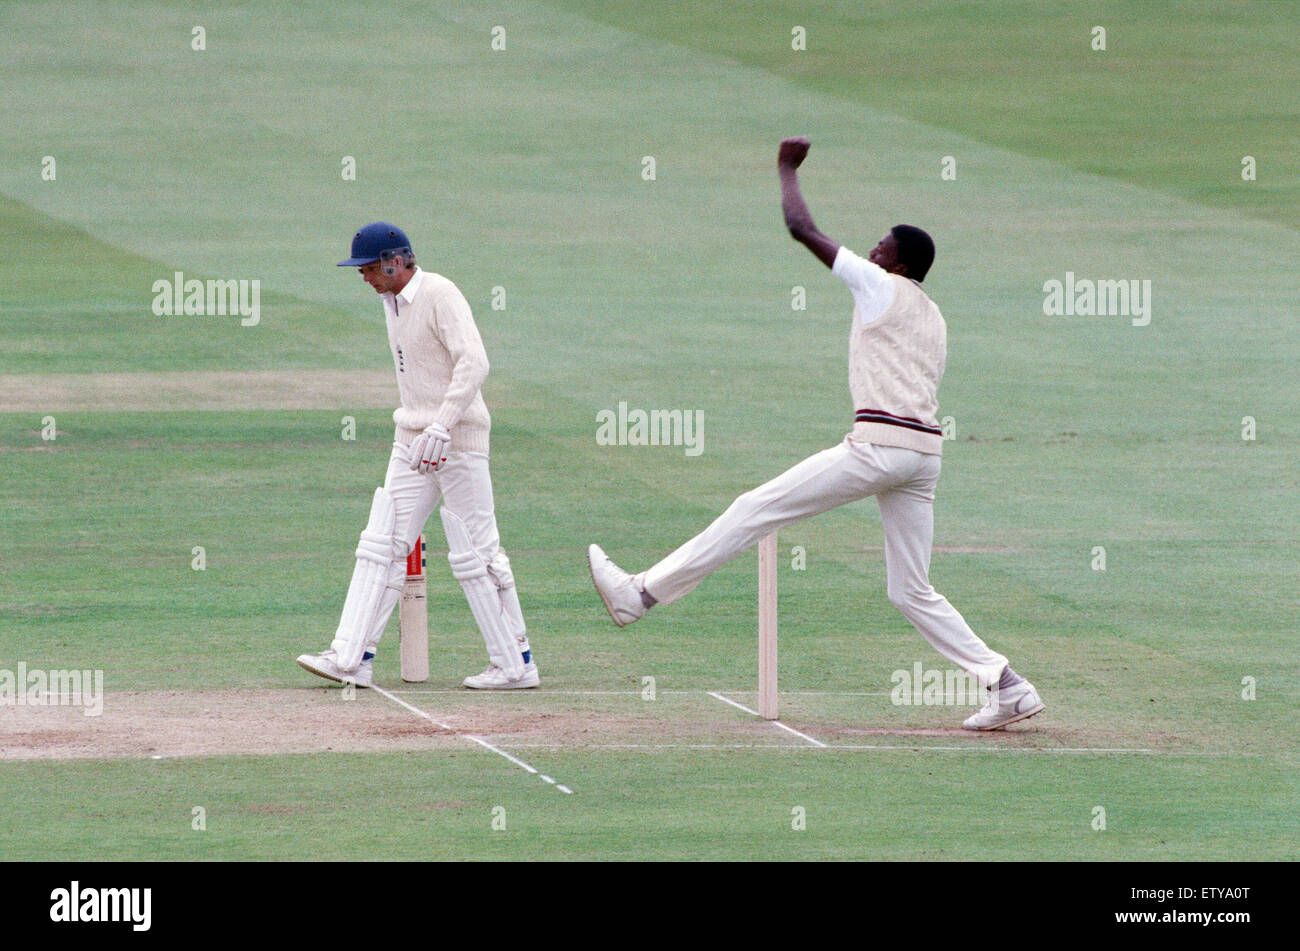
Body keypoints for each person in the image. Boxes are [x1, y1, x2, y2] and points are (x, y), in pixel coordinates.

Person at [588, 138, 1042, 730]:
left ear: (898, 264)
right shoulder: (933, 314)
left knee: (755, 507)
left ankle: (640, 595)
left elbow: (801, 228)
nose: (872, 248)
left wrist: (785, 168)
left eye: (882, 245)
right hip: (923, 458)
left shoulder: (879, 285)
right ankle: (1006, 685)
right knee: (910, 591)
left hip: (880, 450)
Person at [297, 222, 537, 690]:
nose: (365, 279)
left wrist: (442, 425)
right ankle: (352, 658)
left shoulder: (441, 294)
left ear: (395, 261)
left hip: (458, 438)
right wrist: (423, 428)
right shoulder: (390, 301)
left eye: (369, 269)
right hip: (410, 437)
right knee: (382, 540)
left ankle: (516, 663)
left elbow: (475, 362)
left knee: (477, 551)